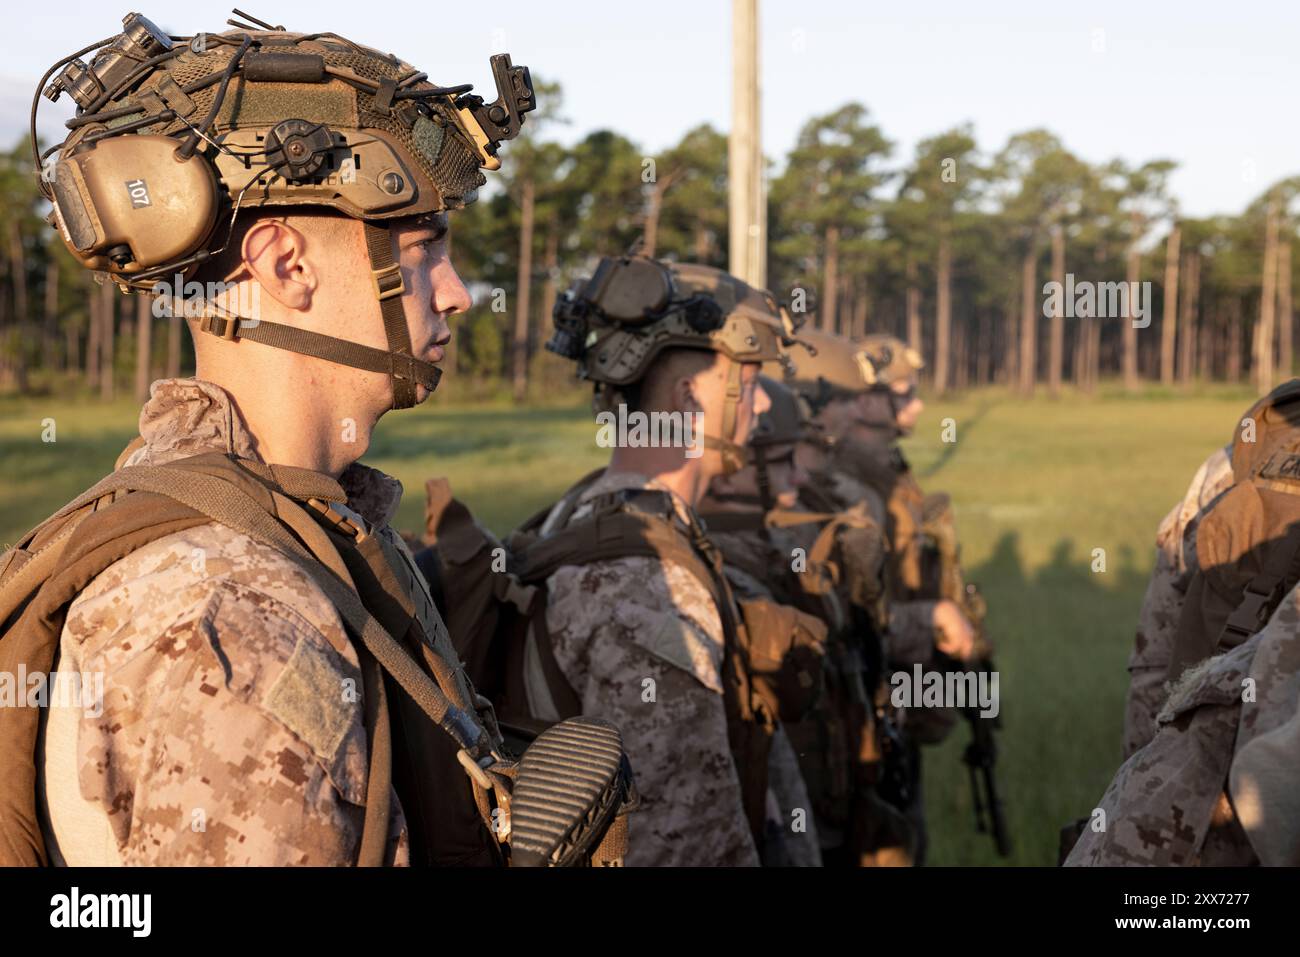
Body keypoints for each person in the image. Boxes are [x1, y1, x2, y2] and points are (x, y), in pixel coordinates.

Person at [3, 16, 536, 865]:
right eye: (427, 248)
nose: (461, 292)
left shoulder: (312, 529)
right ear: (287, 266)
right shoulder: (231, 612)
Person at [519, 254, 815, 865]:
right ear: (689, 397)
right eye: (751, 383)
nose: (760, 409)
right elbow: (684, 840)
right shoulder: (650, 581)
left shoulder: (579, 512)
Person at [699, 375, 916, 865]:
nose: (799, 479)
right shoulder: (717, 572)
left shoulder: (779, 544)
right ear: (729, 471)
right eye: (781, 463)